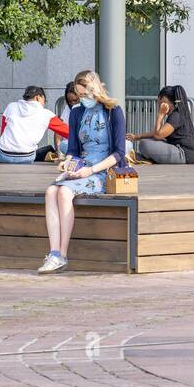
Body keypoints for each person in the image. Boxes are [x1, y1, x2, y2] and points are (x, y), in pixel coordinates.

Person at [38, 69, 127, 273]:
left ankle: (62, 254)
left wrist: (91, 170)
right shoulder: (77, 113)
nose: (82, 98)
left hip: (102, 171)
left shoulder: (114, 111)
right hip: (81, 166)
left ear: (94, 89)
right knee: (51, 191)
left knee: (63, 192)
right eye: (79, 94)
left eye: (85, 93)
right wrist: (67, 163)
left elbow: (119, 153)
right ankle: (54, 253)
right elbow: (73, 150)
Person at [0, 86, 69, 164]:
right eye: (44, 101)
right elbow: (68, 132)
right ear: (38, 97)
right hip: (26, 157)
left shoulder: (11, 106)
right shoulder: (46, 114)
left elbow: (3, 131)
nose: (44, 105)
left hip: (3, 154)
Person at [127, 84, 194, 164]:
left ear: (164, 99)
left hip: (184, 154)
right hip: (183, 152)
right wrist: (136, 137)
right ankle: (146, 159)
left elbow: (158, 135)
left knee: (144, 144)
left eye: (159, 100)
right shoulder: (177, 114)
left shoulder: (176, 115)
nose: (158, 104)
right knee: (147, 141)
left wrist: (161, 114)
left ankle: (148, 159)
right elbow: (157, 133)